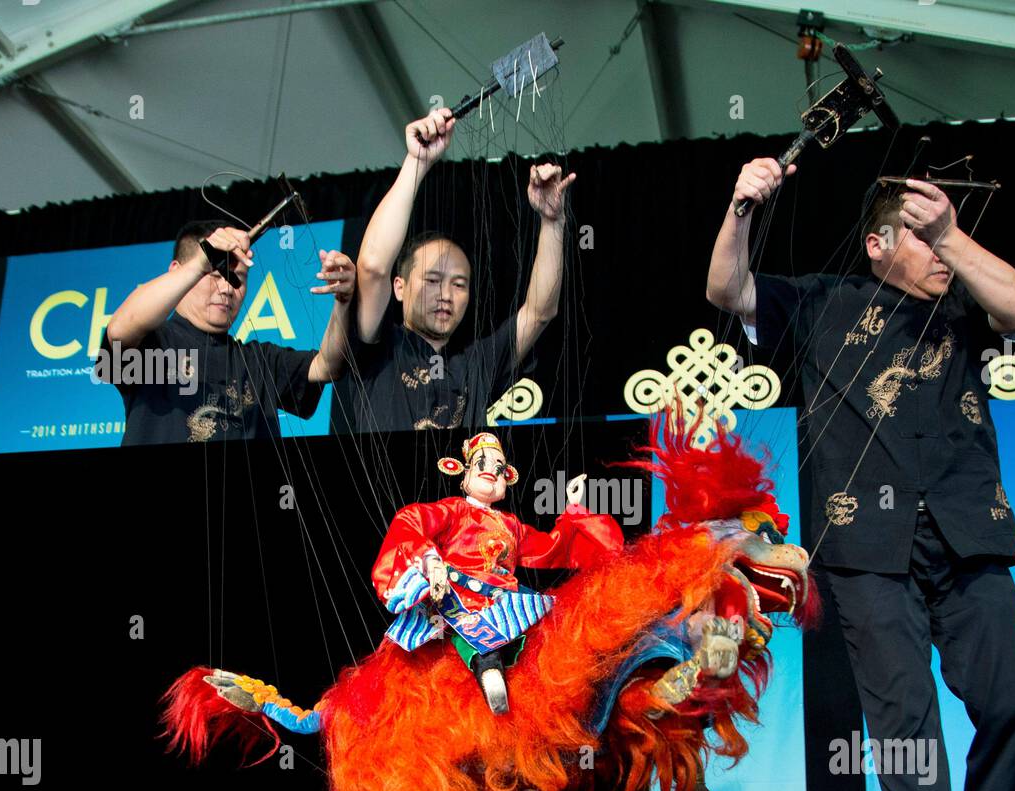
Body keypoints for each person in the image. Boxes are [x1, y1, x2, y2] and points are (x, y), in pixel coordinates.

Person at [707, 159, 1015, 791]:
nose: (936, 251)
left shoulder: (966, 302)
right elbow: (727, 288)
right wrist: (740, 207)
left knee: (1013, 706)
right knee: (907, 736)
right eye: (919, 235)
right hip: (865, 552)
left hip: (971, 535)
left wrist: (951, 235)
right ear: (874, 244)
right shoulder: (826, 303)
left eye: (943, 233)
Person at [345, 108, 574, 432]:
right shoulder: (377, 348)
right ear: (399, 286)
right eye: (432, 279)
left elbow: (540, 312)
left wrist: (552, 222)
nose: (445, 295)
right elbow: (371, 266)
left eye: (459, 284)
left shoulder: (475, 365)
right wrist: (417, 162)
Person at [372, 432, 622, 714]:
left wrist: (573, 508)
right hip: (461, 594)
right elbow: (410, 520)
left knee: (556, 625)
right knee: (474, 629)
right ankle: (486, 665)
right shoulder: (455, 510)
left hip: (505, 595)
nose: (490, 471)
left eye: (499, 469)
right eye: (481, 463)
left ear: (507, 479)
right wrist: (430, 562)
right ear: (462, 474)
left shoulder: (511, 524)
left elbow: (550, 547)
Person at [99, 220, 354, 445]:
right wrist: (201, 262)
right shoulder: (154, 345)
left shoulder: (260, 360)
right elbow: (122, 327)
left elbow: (327, 365)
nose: (227, 289)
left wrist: (343, 301)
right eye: (214, 273)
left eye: (237, 279)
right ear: (178, 271)